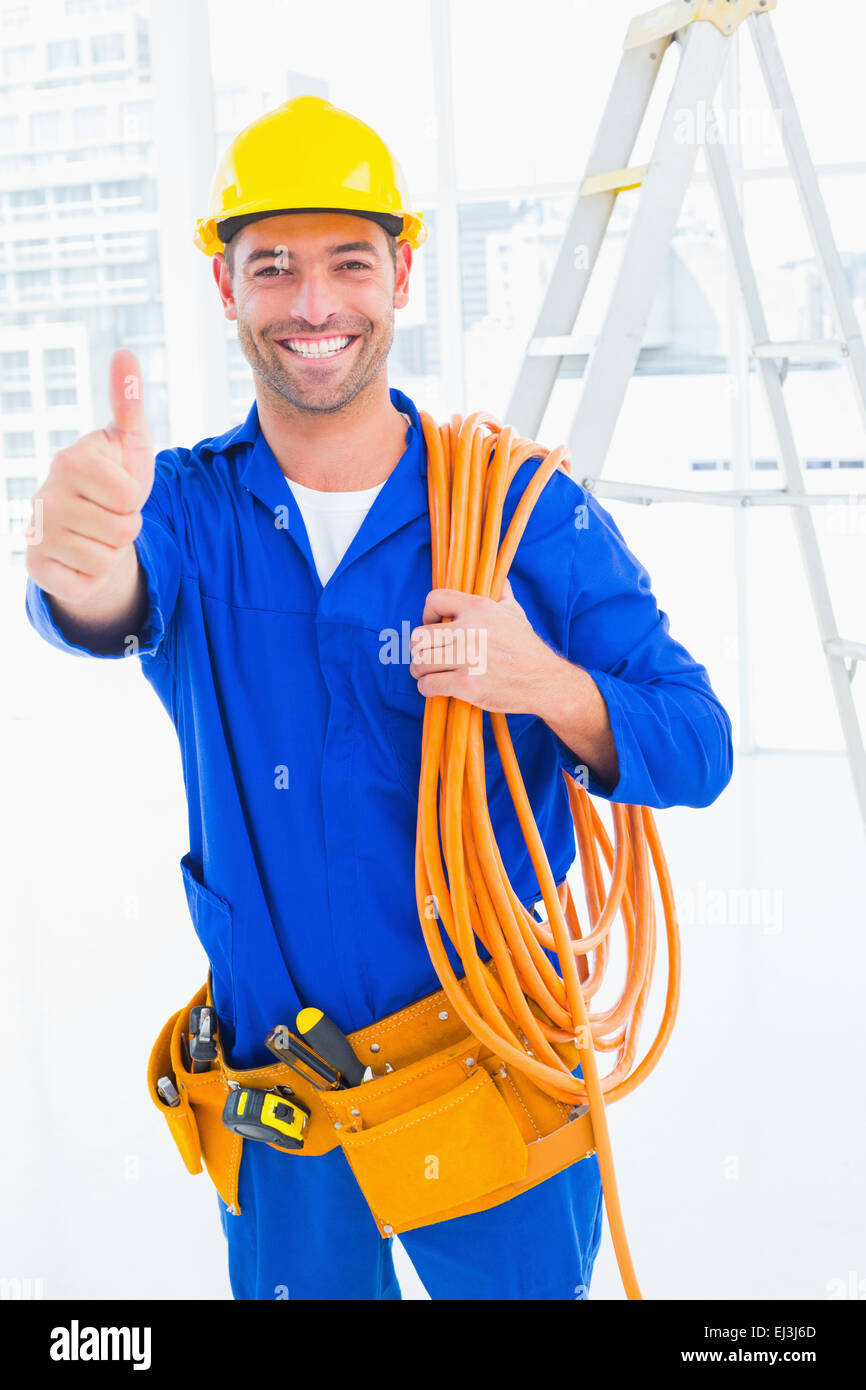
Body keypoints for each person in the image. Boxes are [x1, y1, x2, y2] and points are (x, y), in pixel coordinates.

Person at [24, 96, 733, 1301]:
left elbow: (696, 744)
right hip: (279, 1098)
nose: (312, 304)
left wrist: (547, 685)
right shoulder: (187, 510)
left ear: (401, 272)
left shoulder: (519, 507)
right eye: (273, 268)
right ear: (224, 285)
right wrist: (78, 571)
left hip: (491, 1080)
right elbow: (110, 600)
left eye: (348, 262)